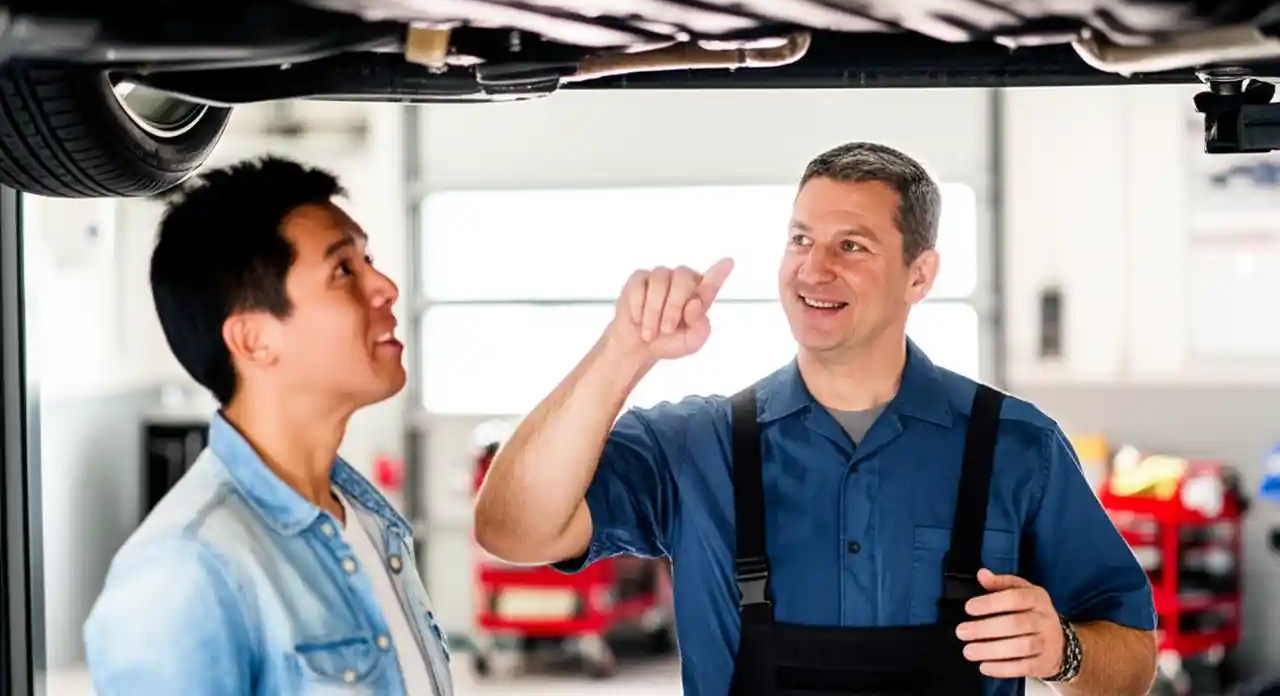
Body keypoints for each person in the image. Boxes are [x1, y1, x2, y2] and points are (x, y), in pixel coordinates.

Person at [474, 142, 1158, 696]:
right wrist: (622, 352)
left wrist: (1063, 651)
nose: (813, 269)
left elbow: (1133, 662)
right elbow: (512, 529)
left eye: (851, 246)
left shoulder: (1017, 447)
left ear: (919, 276)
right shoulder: (697, 446)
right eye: (801, 238)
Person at [83, 157, 453, 696]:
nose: (386, 287)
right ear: (254, 340)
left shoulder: (372, 522)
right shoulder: (185, 572)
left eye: (368, 259)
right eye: (343, 270)